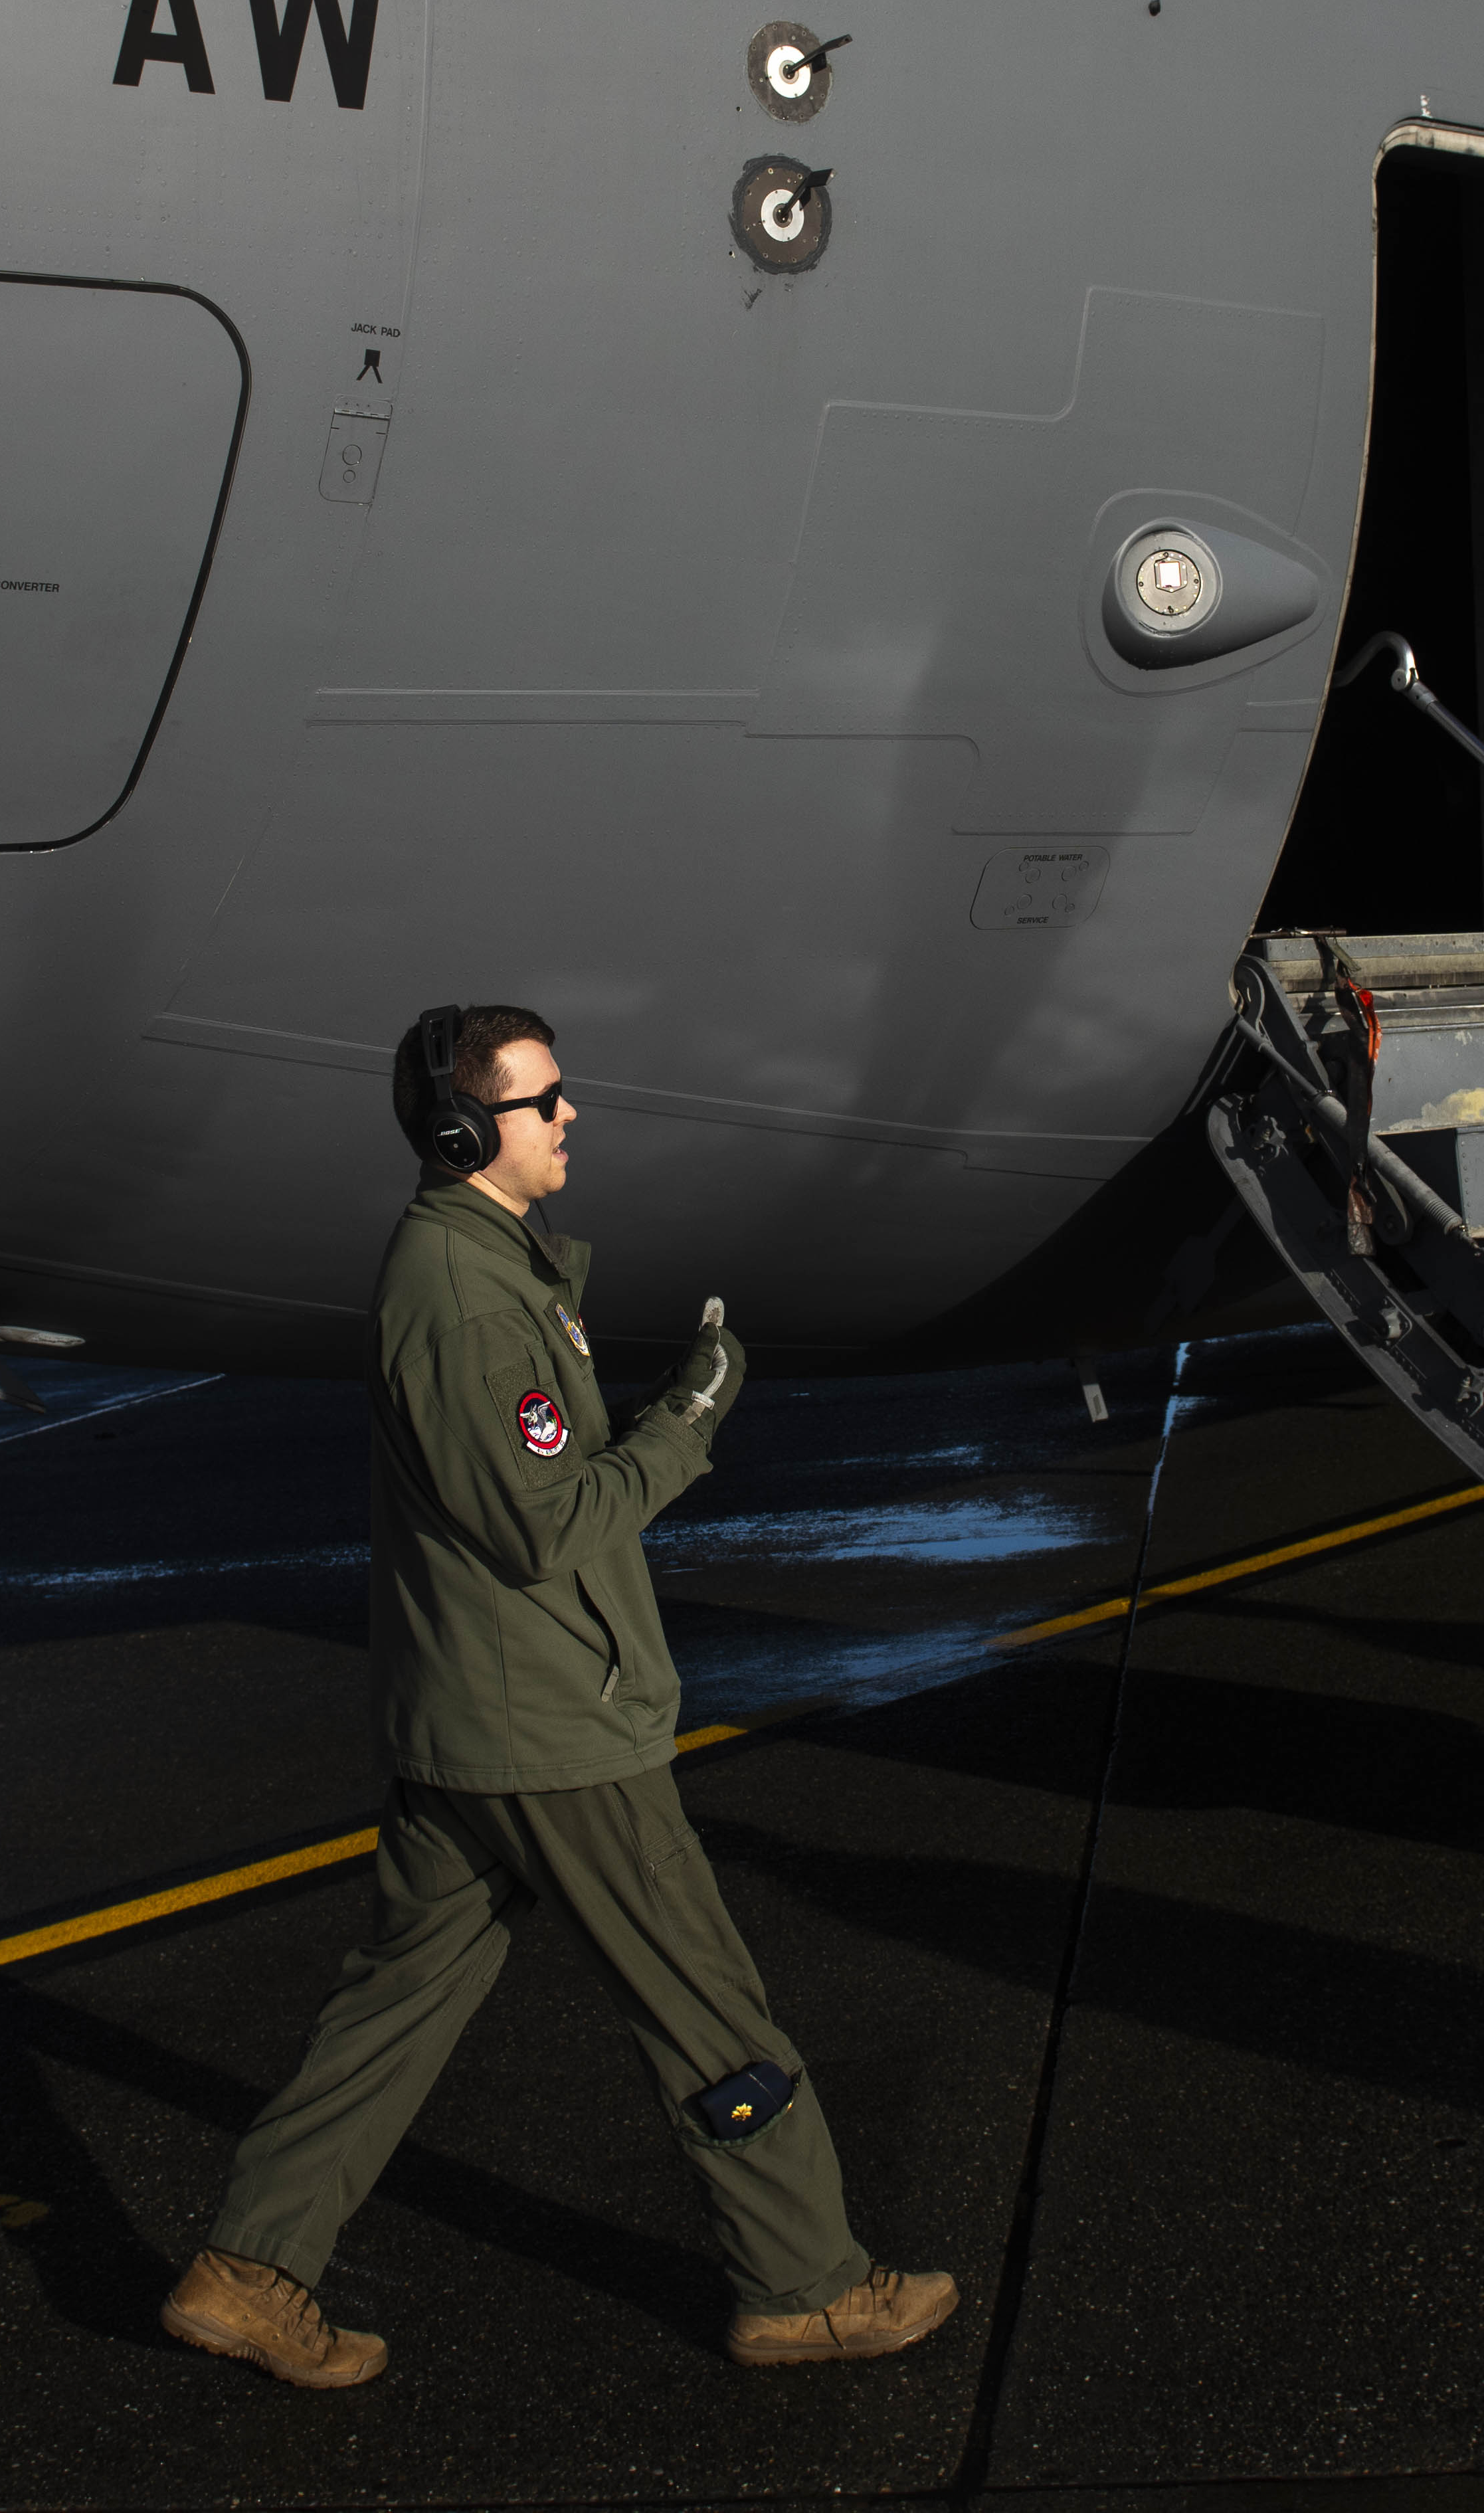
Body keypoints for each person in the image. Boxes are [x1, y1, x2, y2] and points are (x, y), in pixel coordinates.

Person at [158, 1002, 958, 2386]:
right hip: (544, 1727)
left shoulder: (482, 1268)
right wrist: (691, 1418)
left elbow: (512, 1481)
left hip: (467, 1718)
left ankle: (250, 2265)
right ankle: (807, 2283)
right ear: (471, 1132)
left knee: (394, 2009)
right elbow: (537, 1527)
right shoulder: (465, 1291)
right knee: (708, 2003)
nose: (570, 1115)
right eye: (545, 1100)